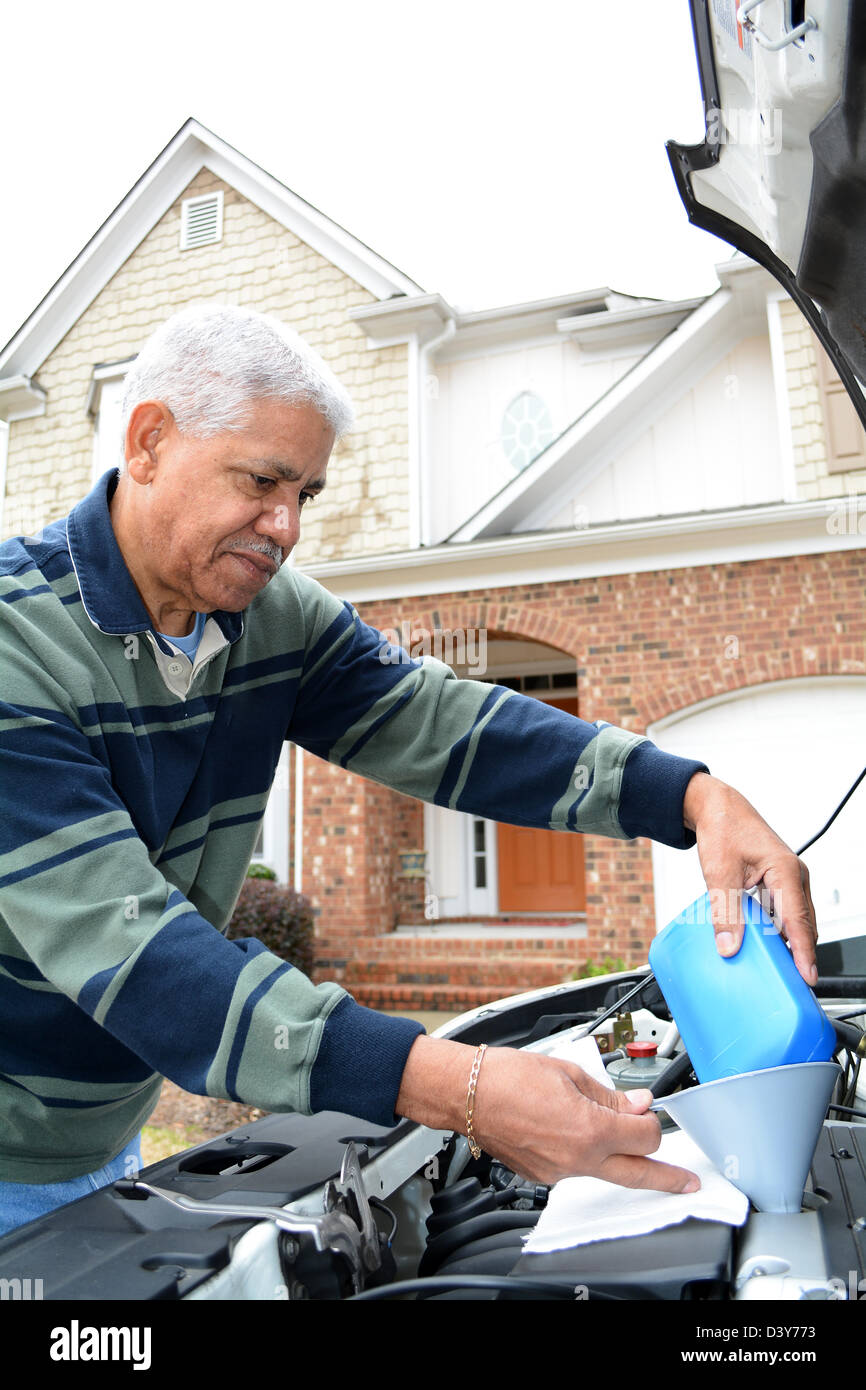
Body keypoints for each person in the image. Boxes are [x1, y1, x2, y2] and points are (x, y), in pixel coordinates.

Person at [0, 304, 818, 1235]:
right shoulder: (12, 644)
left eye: (305, 493)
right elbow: (136, 952)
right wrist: (459, 1086)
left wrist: (690, 795)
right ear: (148, 441)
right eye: (263, 480)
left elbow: (445, 724)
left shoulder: (272, 620)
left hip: (104, 1139)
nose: (286, 527)